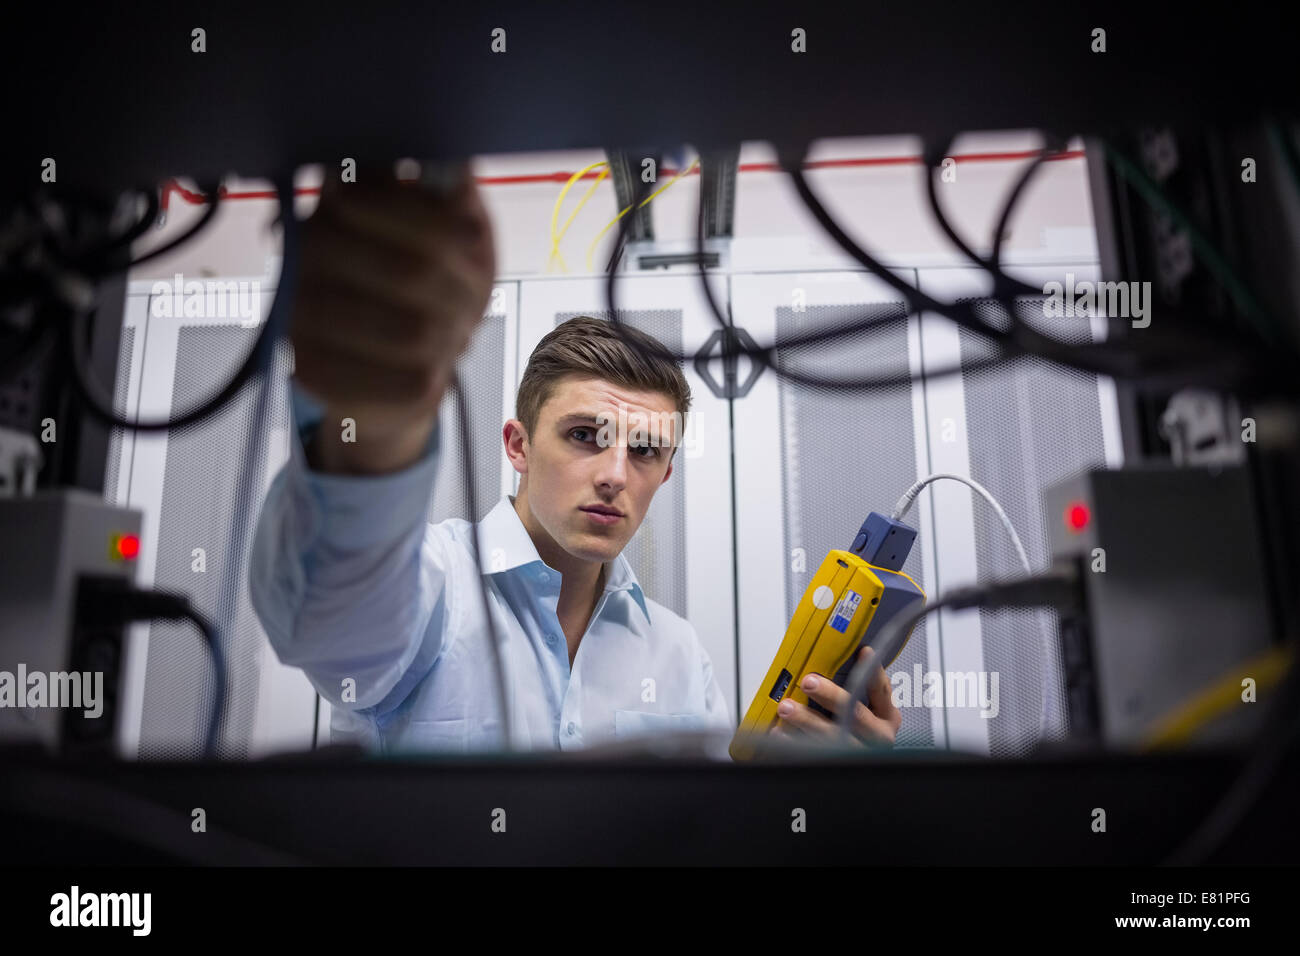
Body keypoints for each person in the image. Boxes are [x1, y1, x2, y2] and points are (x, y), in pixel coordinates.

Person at [249, 163, 902, 756]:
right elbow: (330, 619)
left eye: (645, 450)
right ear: (518, 445)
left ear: (666, 472)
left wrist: (826, 799)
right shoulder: (431, 588)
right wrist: (374, 406)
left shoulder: (678, 658)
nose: (617, 473)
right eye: (586, 435)